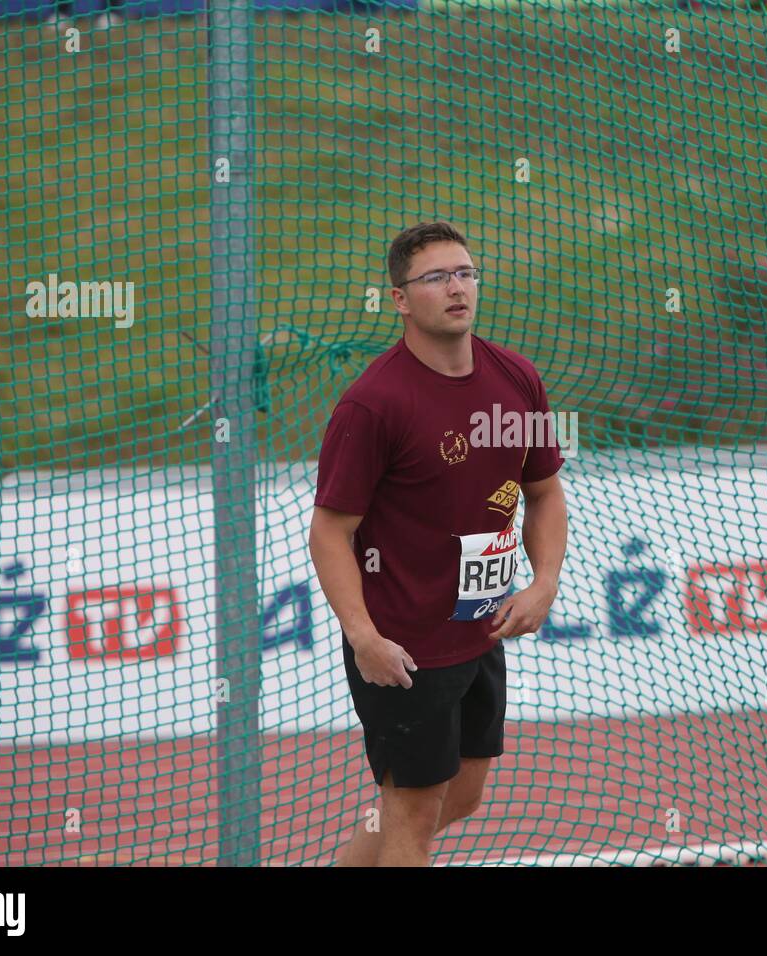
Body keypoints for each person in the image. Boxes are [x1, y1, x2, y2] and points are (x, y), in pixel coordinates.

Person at [310, 221, 569, 867]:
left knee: (460, 796)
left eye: (465, 273)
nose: (457, 288)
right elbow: (328, 532)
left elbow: (545, 491)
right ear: (400, 298)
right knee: (412, 815)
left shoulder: (516, 378)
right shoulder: (374, 404)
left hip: (481, 630)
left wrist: (543, 582)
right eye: (436, 278)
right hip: (403, 645)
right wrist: (364, 637)